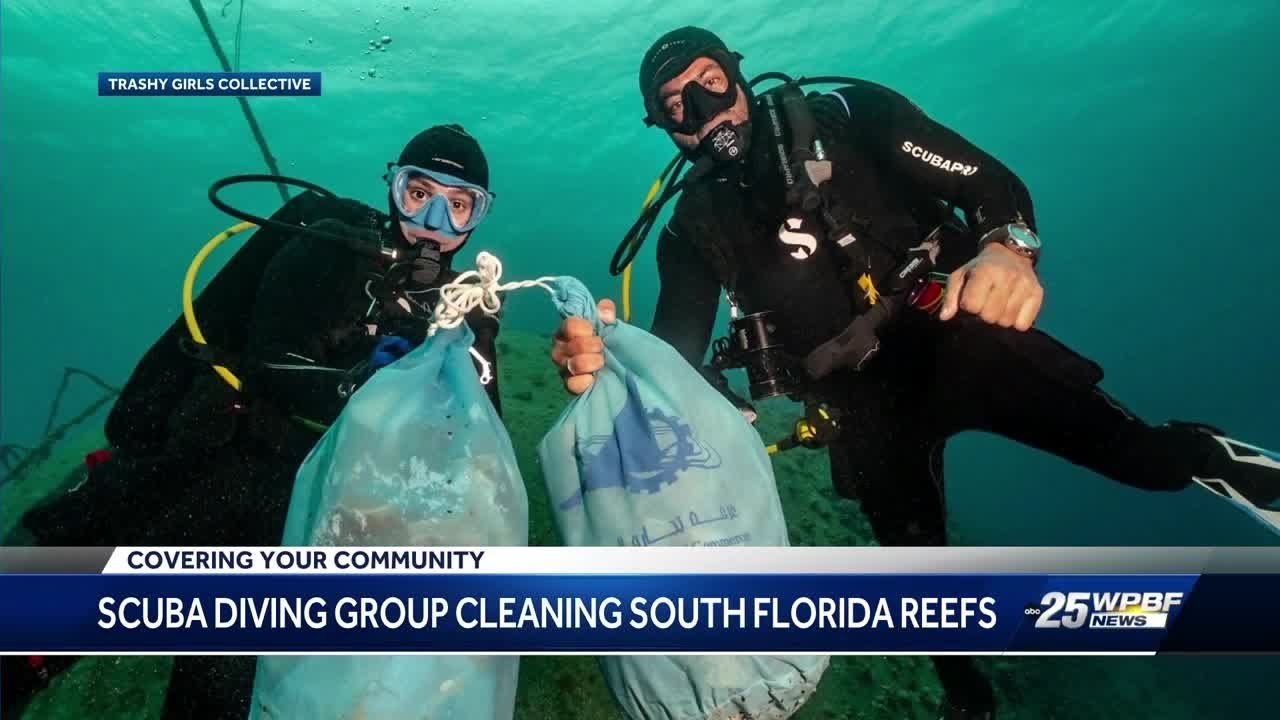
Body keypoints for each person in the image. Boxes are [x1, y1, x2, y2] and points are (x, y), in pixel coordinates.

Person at [552, 27, 1280, 720]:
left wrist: (1007, 249)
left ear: (739, 73)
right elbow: (673, 356)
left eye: (711, 82)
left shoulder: (843, 116)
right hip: (858, 411)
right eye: (678, 104)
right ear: (662, 125)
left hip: (960, 344)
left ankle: (1223, 462)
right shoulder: (691, 225)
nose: (704, 110)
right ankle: (969, 698)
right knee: (925, 585)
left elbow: (987, 182)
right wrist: (607, 370)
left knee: (1143, 463)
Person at [2, 124, 510, 719]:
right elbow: (270, 354)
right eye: (418, 193)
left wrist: (463, 354)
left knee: (218, 692)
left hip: (292, 519)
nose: (434, 221)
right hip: (213, 456)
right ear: (392, 188)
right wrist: (356, 385)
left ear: (478, 217)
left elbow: (480, 441)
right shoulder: (327, 241)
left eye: (458, 205)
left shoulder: (462, 312)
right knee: (34, 614)